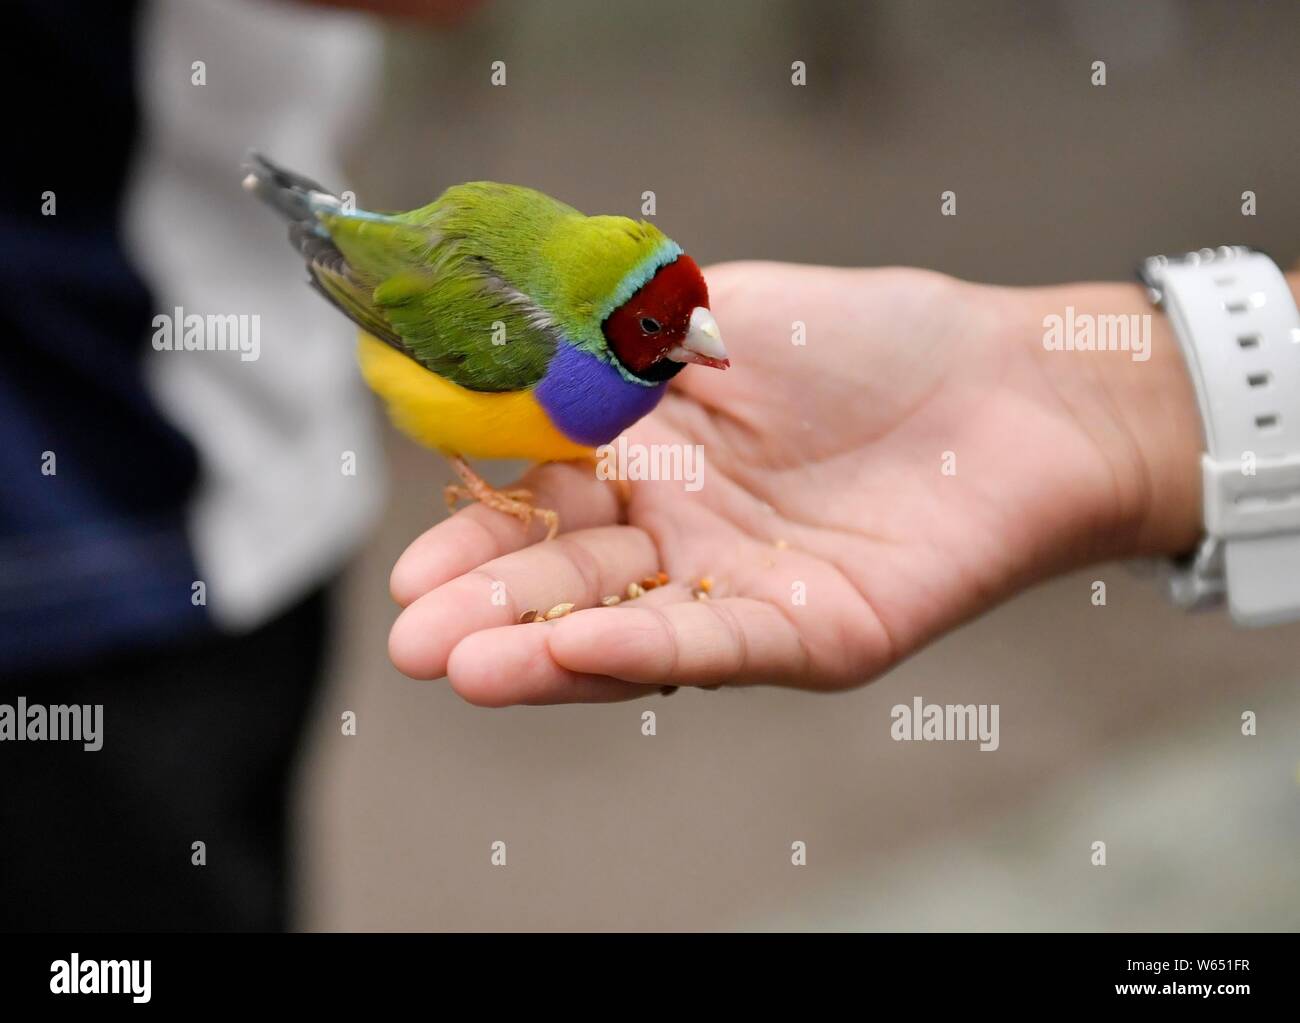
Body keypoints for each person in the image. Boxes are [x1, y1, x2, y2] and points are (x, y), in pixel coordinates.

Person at [386, 261, 1299, 705]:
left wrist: (1146, 407)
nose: (700, 342)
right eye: (669, 326)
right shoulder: (525, 326)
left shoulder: (632, 344)